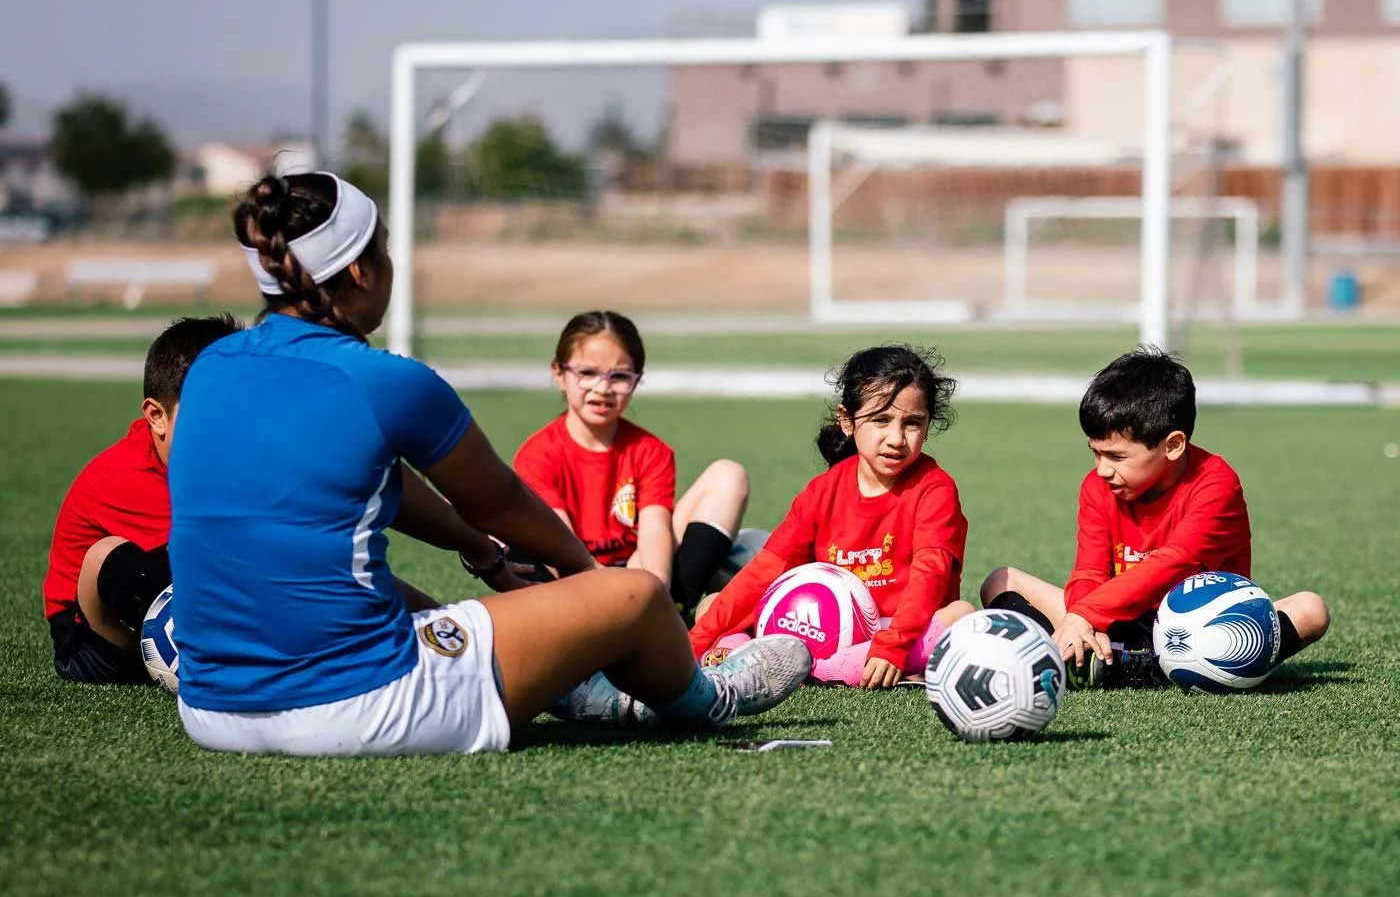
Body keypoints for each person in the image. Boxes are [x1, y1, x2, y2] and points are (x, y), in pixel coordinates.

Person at [167, 171, 810, 757]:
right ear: (361, 272)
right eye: (385, 250)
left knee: (398, 596)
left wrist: (483, 554)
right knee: (637, 593)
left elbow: (375, 484)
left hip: (210, 707)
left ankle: (582, 687)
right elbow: (498, 502)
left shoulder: (211, 368)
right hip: (356, 706)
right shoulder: (385, 381)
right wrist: (595, 585)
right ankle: (708, 697)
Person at [980, 347, 1331, 687]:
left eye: (1116, 456)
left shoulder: (1216, 483)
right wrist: (1085, 618)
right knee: (1000, 581)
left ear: (1173, 445)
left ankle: (1094, 661)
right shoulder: (1097, 487)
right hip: (1117, 619)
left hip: (1197, 629)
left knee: (1309, 610)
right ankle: (1095, 654)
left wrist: (1086, 615)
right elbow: (1089, 571)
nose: (1101, 469)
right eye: (1095, 453)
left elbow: (1174, 563)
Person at [688, 345, 975, 690]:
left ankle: (788, 667)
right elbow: (767, 569)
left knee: (961, 615)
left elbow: (930, 576)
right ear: (847, 421)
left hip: (890, 633)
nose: (896, 439)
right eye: (881, 420)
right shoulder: (822, 490)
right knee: (711, 607)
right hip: (814, 629)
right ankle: (795, 664)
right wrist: (694, 644)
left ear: (928, 426)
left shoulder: (935, 489)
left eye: (912, 423)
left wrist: (894, 645)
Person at [513, 311, 754, 621]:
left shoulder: (651, 451)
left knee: (728, 475)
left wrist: (653, 593)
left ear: (637, 380)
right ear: (559, 374)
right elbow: (561, 549)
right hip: (575, 586)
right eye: (587, 373)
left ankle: (669, 614)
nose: (603, 388)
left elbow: (655, 533)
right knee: (511, 535)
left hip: (639, 577)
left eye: (620, 376)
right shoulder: (538, 454)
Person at [42, 314, 241, 684]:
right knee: (108, 555)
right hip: (91, 639)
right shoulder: (128, 475)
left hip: (161, 609)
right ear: (157, 416)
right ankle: (220, 660)